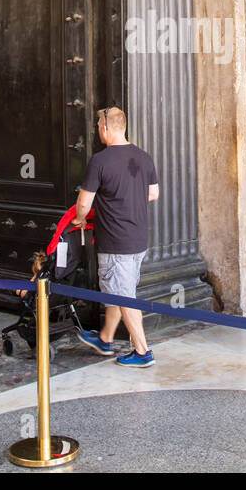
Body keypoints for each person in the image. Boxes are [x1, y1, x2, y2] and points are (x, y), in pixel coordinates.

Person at [72, 107, 159, 367]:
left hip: (115, 241)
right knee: (118, 289)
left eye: (99, 125)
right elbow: (153, 194)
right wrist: (128, 199)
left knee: (123, 296)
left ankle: (143, 352)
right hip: (138, 239)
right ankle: (106, 338)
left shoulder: (100, 160)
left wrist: (78, 218)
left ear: (106, 128)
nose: (98, 130)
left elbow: (84, 202)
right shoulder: (144, 157)